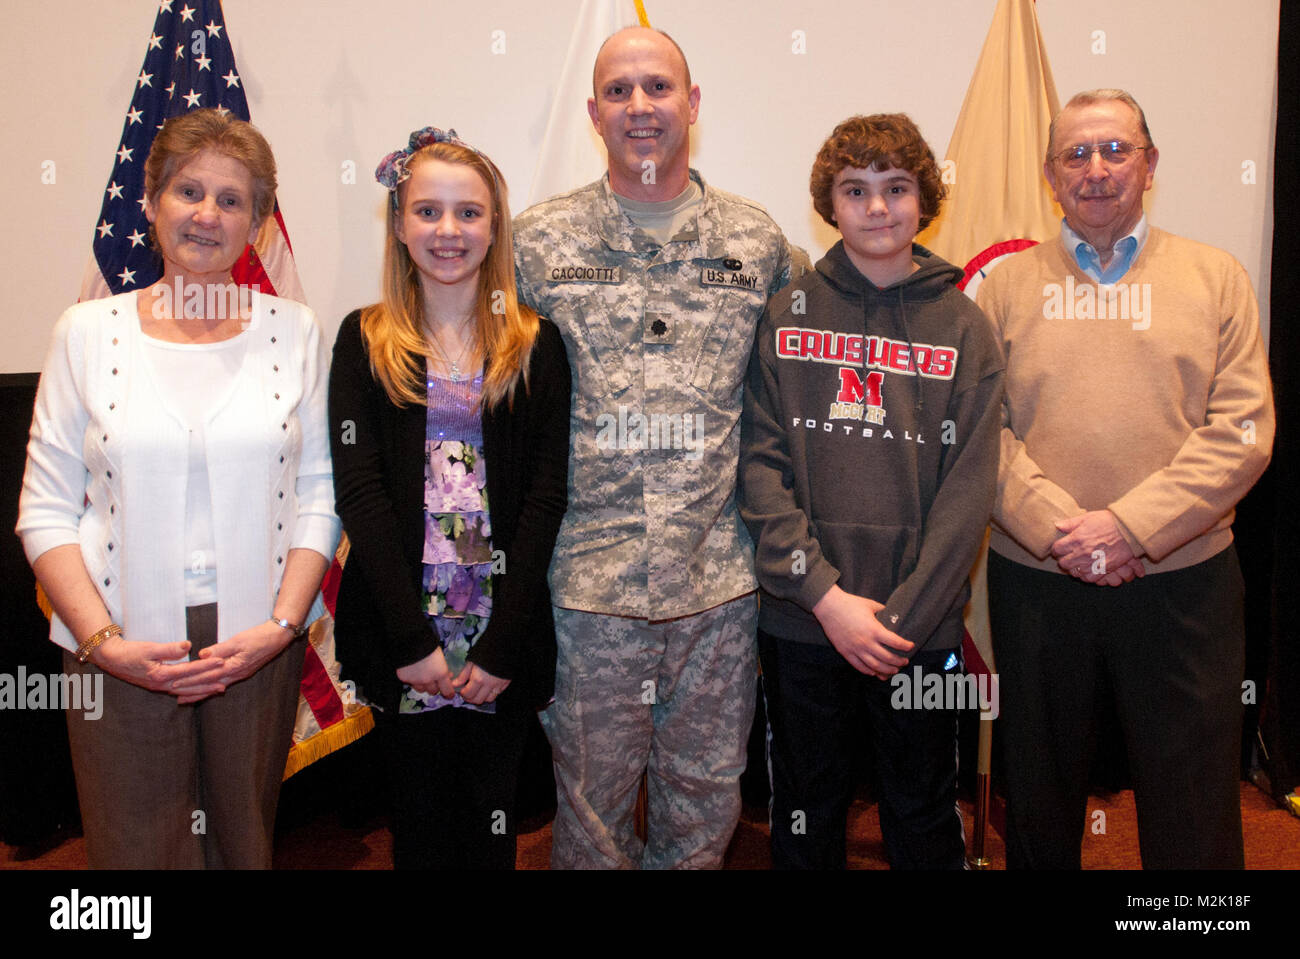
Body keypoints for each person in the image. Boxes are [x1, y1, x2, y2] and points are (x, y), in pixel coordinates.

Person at [16, 108, 339, 869]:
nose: (207, 214)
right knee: (133, 852)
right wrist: (104, 644)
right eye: (188, 191)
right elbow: (44, 509)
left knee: (244, 841)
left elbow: (320, 495)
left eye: (232, 200)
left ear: (257, 222)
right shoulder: (85, 332)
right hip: (116, 638)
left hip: (255, 645)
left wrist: (283, 627)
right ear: (152, 202)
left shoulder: (295, 330)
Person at [513, 26, 792, 869]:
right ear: (594, 112)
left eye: (659, 87)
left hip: (718, 587)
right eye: (621, 91)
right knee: (590, 813)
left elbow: (800, 379)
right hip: (589, 587)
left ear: (692, 104)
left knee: (706, 801)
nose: (641, 106)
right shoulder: (534, 245)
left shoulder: (758, 243)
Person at [976, 89, 1275, 869]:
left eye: (1116, 150)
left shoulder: (1217, 278)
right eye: (1076, 154)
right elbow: (978, 435)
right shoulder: (1004, 290)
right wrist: (1062, 532)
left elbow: (1244, 432)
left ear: (1150, 164)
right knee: (1039, 800)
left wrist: (1128, 528)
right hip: (1040, 579)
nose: (1096, 169)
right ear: (1050, 174)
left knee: (1194, 806)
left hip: (1182, 584)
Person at [739, 114, 1004, 869]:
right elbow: (759, 467)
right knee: (805, 808)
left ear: (925, 200)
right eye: (856, 190)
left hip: (921, 634)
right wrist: (823, 596)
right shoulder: (787, 312)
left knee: (922, 809)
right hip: (803, 622)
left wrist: (905, 618)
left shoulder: (965, 327)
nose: (878, 207)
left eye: (897, 188)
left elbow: (969, 491)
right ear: (829, 201)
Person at [329, 127, 570, 869]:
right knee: (420, 829)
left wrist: (500, 644)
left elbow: (543, 499)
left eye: (469, 213)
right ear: (400, 225)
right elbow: (360, 493)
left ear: (495, 226)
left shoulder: (535, 344)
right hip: (406, 641)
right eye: (428, 211)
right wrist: (411, 642)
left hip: (498, 643)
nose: (448, 230)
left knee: (492, 829)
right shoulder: (364, 340)